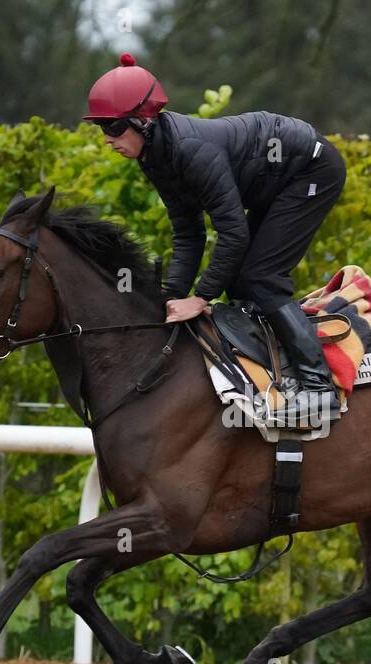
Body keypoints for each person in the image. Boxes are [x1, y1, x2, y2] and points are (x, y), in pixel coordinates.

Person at [83, 53, 347, 422]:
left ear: (142, 122)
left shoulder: (191, 150)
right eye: (101, 129)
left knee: (260, 278)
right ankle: (274, 378)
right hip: (273, 178)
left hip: (311, 170)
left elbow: (232, 232)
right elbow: (188, 232)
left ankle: (319, 392)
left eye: (112, 128)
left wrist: (201, 297)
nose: (107, 140)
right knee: (239, 281)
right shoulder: (153, 157)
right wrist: (171, 297)